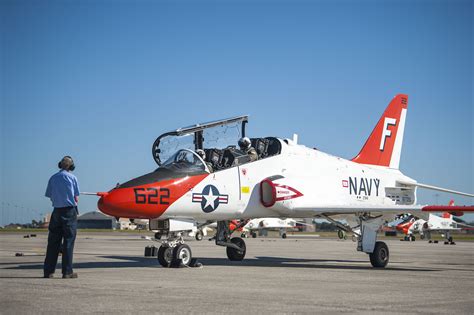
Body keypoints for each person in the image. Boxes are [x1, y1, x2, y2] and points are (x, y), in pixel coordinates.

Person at [44, 156, 80, 279]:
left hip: (56, 211)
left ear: (60, 165)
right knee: (68, 241)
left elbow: (49, 195)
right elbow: (76, 198)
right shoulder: (73, 178)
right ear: (71, 166)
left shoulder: (53, 178)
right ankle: (67, 272)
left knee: (53, 242)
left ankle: (48, 272)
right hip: (69, 211)